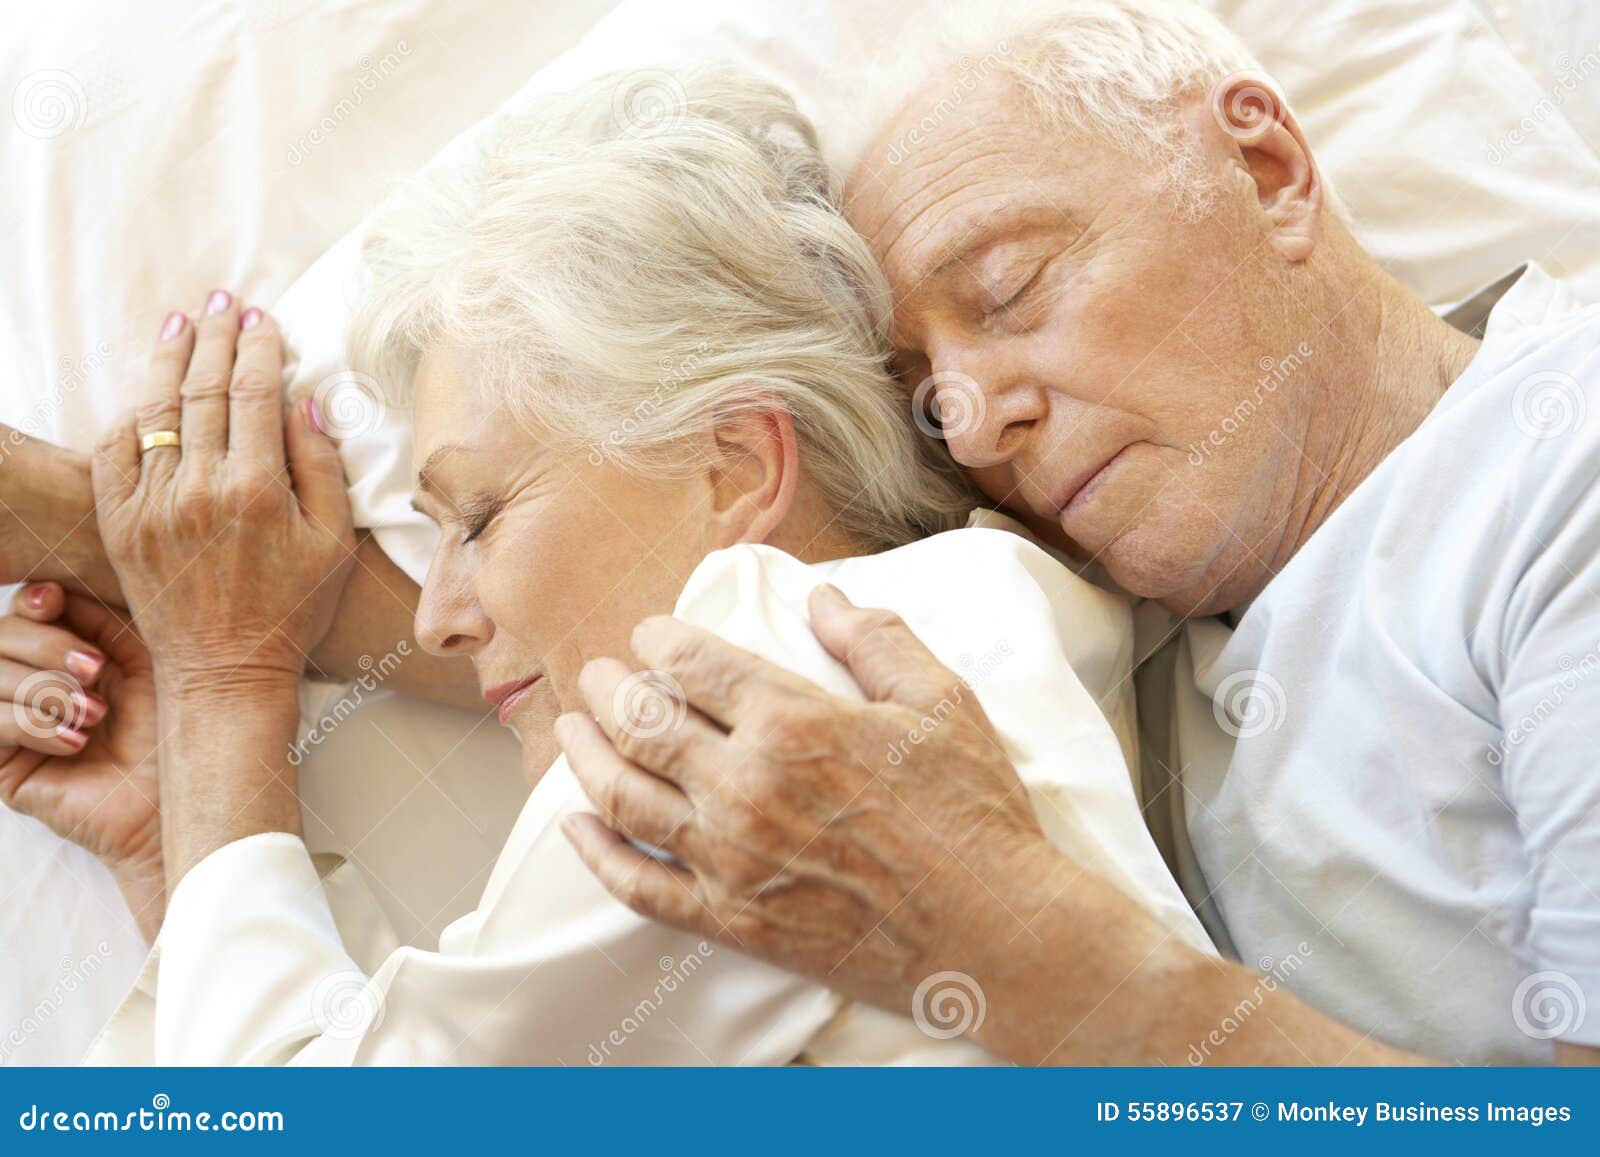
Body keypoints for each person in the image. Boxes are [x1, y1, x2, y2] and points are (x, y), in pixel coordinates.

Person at [1, 67, 1207, 1064]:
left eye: (476, 515)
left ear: (734, 466)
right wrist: (181, 855)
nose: (436, 620)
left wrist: (224, 680)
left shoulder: (775, 698)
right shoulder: (1002, 619)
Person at [555, 2, 1600, 1065]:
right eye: (922, 392)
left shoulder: (1559, 466)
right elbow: (590, 577)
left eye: (1006, 289)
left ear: (1267, 171)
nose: (966, 423)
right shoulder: (1100, 625)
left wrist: (997, 925)